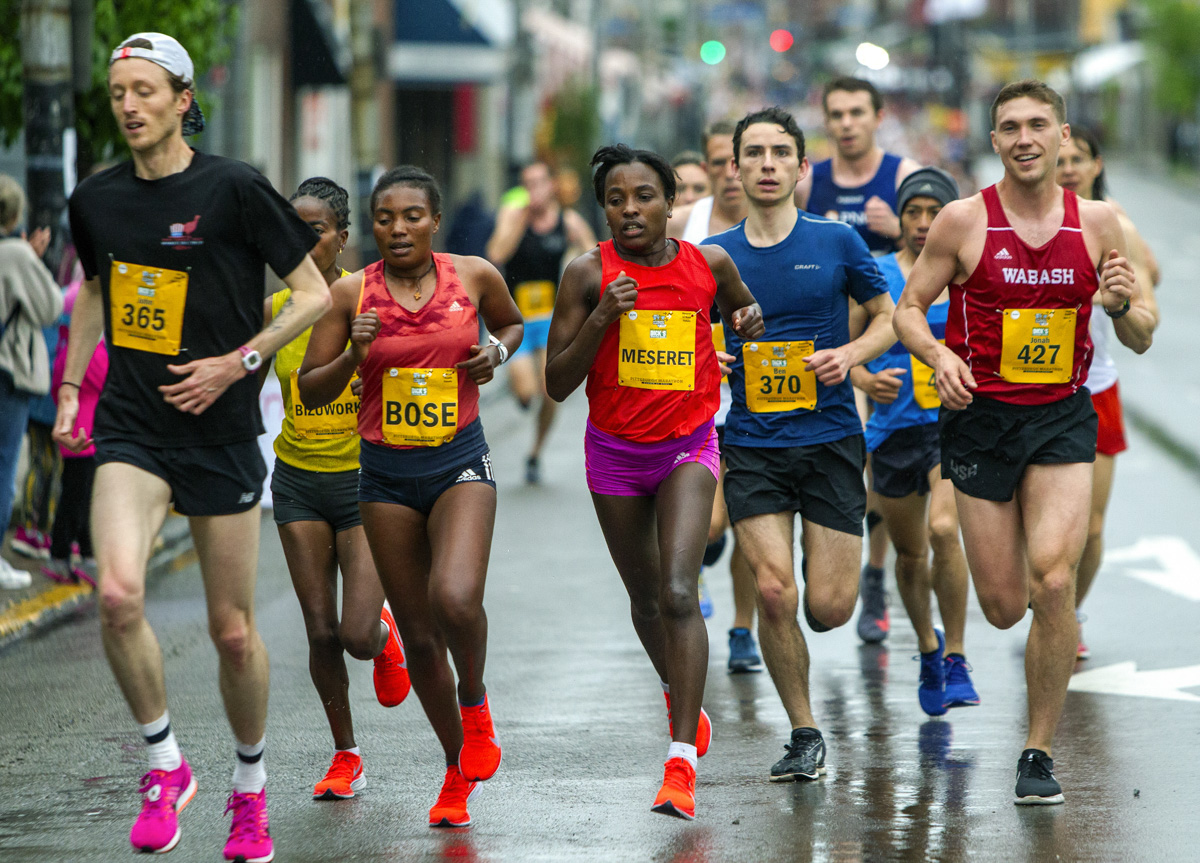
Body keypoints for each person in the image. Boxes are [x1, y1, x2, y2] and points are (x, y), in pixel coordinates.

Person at [55, 33, 332, 861]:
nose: (129, 106)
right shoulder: (96, 200)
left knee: (233, 631)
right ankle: (164, 762)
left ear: (182, 99)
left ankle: (249, 790)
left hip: (219, 429)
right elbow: (97, 298)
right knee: (116, 594)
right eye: (118, 93)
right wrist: (73, 388)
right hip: (133, 426)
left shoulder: (235, 188)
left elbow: (311, 295)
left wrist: (237, 363)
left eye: (145, 90)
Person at [894, 80, 1155, 805]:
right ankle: (1018, 665)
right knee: (1005, 604)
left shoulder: (1100, 223)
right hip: (980, 416)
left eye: (1039, 124)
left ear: (1063, 137)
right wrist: (938, 356)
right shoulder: (961, 220)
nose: (1025, 138)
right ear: (995, 139)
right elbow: (909, 310)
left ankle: (1037, 751)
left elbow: (1139, 336)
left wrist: (1123, 304)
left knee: (1051, 579)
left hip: (1063, 415)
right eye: (1009, 126)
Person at [299, 165, 523, 829]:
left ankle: (476, 705)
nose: (398, 228)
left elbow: (511, 326)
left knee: (455, 596)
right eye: (385, 218)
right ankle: (456, 767)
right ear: (372, 225)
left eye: (412, 216)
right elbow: (311, 385)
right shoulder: (350, 293)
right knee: (421, 638)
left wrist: (496, 354)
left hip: (459, 461)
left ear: (435, 220)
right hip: (386, 476)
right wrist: (353, 356)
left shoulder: (474, 275)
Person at [546, 144, 763, 820]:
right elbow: (555, 383)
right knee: (644, 600)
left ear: (672, 202)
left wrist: (747, 327)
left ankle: (680, 760)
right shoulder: (586, 274)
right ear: (603, 207)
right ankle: (683, 694)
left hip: (688, 446)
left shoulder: (710, 263)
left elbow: (744, 315)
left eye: (644, 196)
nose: (630, 210)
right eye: (616, 199)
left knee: (677, 588)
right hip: (614, 452)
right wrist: (603, 316)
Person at [702, 107, 894, 784]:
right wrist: (712, 358)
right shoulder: (714, 256)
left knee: (828, 608)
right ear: (735, 167)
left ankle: (841, 595)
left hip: (832, 439)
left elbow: (886, 314)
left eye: (780, 152)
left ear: (800, 167)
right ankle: (804, 730)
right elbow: (686, 334)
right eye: (752, 152)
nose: (765, 164)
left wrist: (851, 352)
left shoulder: (837, 241)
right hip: (752, 442)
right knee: (776, 592)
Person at [261, 177, 411, 801]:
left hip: (362, 481)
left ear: (343, 238)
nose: (301, 240)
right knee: (319, 631)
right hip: (296, 478)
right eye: (292, 229)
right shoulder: (276, 310)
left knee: (352, 634)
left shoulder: (372, 301)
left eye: (315, 230)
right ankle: (346, 754)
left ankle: (382, 634)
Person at [850, 167, 979, 716]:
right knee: (909, 554)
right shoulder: (876, 274)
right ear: (900, 219)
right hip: (892, 431)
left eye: (934, 212)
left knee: (945, 529)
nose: (924, 223)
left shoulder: (966, 274)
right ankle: (927, 648)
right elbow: (841, 346)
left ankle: (955, 655)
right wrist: (864, 379)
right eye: (913, 213)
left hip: (952, 427)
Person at [1055, 126, 1161, 659]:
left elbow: (1149, 306)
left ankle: (1067, 611)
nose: (1069, 168)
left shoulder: (1115, 225)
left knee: (1091, 528)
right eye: (1061, 159)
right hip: (1033, 388)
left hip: (1096, 386)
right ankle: (1048, 595)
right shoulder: (1028, 222)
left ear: (1097, 165)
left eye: (1079, 159)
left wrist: (1112, 299)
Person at [667, 121, 762, 674]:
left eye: (739, 160)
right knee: (713, 527)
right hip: (696, 405)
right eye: (719, 161)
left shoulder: (779, 230)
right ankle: (694, 563)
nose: (731, 173)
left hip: (761, 403)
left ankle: (743, 629)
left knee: (752, 523)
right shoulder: (684, 226)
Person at [485, 161, 596, 484]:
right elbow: (496, 253)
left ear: (551, 185)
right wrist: (520, 221)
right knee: (527, 392)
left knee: (550, 393)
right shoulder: (513, 216)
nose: (533, 189)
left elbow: (593, 257)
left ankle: (535, 451)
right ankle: (519, 388)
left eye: (539, 182)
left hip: (550, 319)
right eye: (527, 183)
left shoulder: (568, 221)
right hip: (516, 319)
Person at [1, 174, 62, 590]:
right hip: (8, 374)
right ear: (16, 214)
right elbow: (50, 308)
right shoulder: (16, 254)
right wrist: (33, 258)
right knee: (4, 466)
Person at [796, 76, 921, 253]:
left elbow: (934, 257)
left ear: (879, 118)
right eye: (837, 115)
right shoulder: (805, 185)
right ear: (826, 123)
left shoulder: (906, 176)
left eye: (856, 113)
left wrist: (897, 230)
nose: (846, 124)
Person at [43, 279, 107, 586]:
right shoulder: (78, 351)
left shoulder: (71, 348)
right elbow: (102, 375)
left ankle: (86, 554)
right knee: (74, 499)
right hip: (80, 437)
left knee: (82, 498)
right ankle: (60, 556)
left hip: (86, 435)